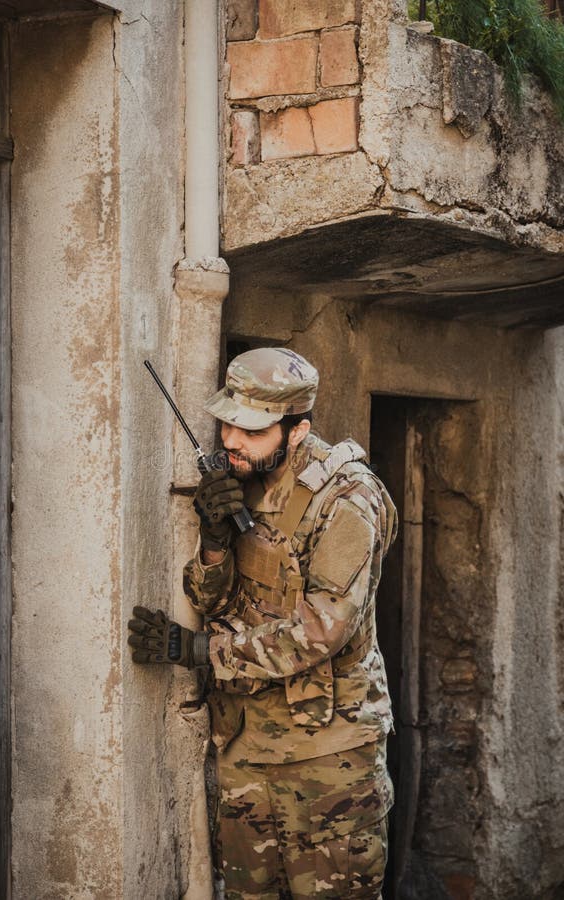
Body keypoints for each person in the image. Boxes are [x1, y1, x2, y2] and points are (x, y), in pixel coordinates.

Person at [128, 347, 397, 899]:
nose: (230, 440)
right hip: (245, 749)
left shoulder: (346, 498)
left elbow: (323, 628)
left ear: (297, 430)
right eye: (227, 422)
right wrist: (213, 540)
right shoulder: (241, 479)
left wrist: (201, 652)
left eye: (251, 430)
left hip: (327, 761)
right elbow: (213, 600)